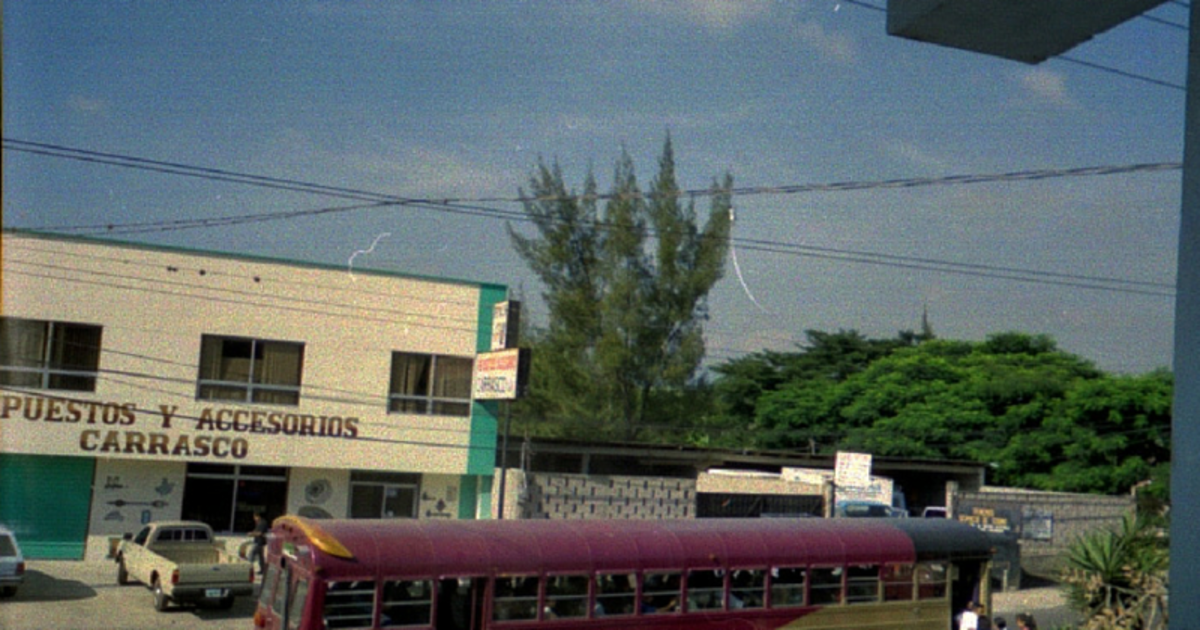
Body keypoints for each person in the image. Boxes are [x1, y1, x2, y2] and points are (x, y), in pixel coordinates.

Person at [248, 512, 269, 576]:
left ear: (258, 516)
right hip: (259, 542)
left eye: (255, 517)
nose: (254, 519)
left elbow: (260, 533)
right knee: (261, 557)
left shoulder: (262, 523)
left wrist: (251, 534)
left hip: (259, 542)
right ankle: (263, 570)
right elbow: (256, 531)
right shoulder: (259, 523)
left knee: (251, 555)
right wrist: (252, 532)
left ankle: (249, 569)